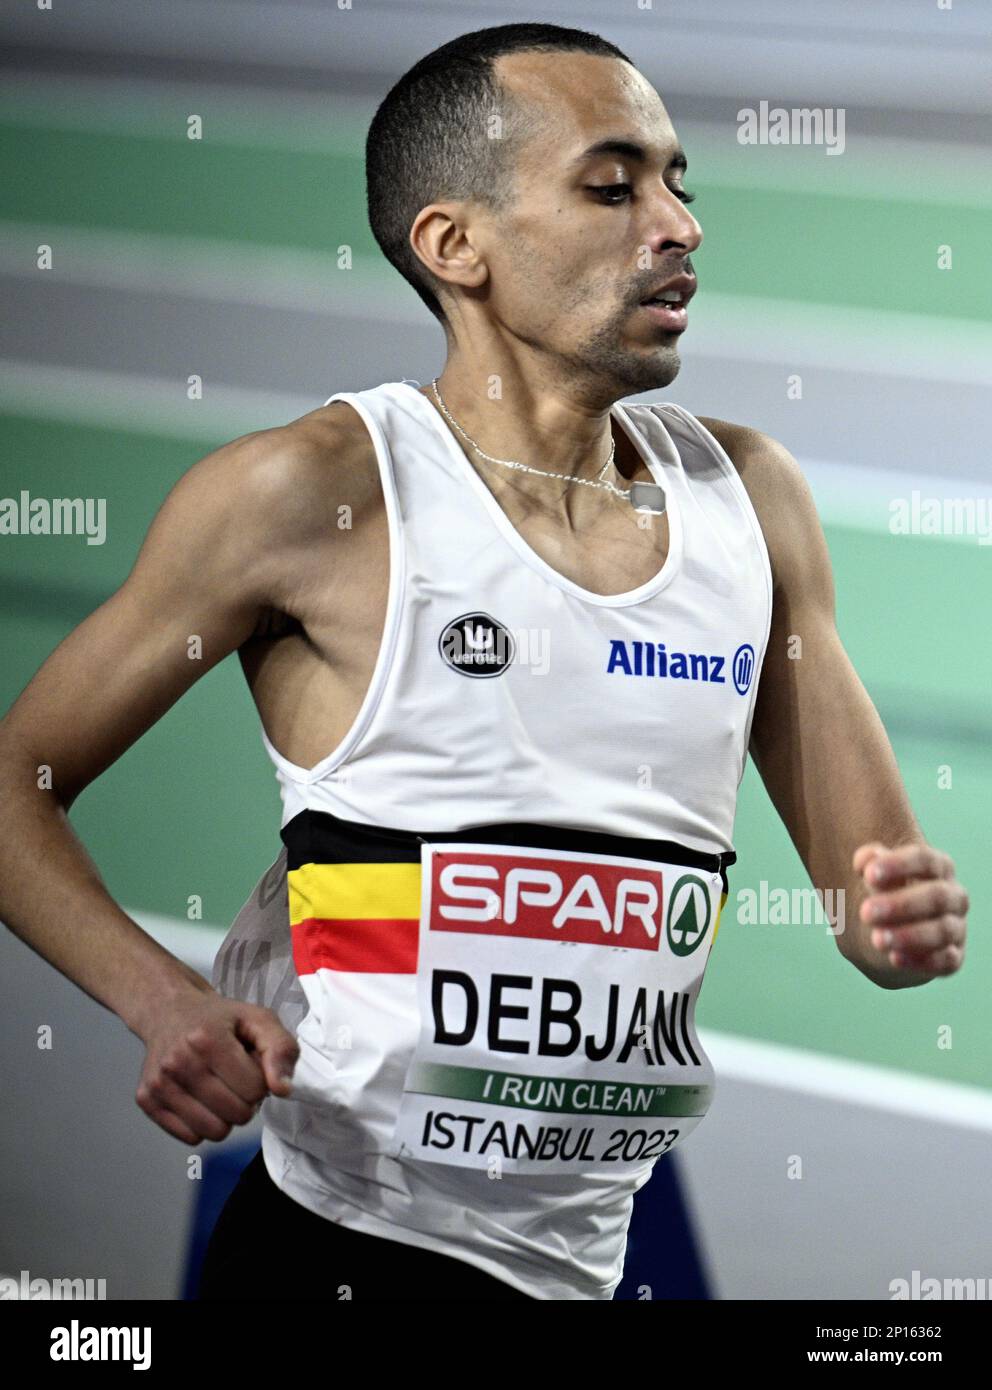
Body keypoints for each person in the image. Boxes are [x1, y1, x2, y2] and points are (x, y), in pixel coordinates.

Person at [0, 23, 969, 1302]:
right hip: (347, 1249)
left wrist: (903, 918)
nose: (677, 225)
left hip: (589, 1259)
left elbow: (868, 916)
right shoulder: (313, 495)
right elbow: (18, 779)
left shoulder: (749, 500)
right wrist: (162, 999)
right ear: (454, 245)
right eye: (612, 185)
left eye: (680, 182)